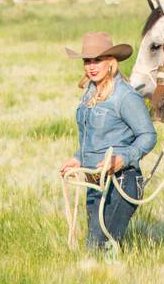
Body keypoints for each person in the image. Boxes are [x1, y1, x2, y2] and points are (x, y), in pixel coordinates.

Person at [60, 31, 156, 252]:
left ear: (111, 62)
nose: (92, 66)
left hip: (121, 181)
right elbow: (92, 137)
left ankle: (110, 280)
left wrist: (123, 158)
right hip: (95, 181)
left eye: (98, 60)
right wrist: (78, 159)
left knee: (99, 247)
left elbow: (148, 136)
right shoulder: (89, 93)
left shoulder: (125, 97)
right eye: (87, 61)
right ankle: (109, 282)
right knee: (98, 247)